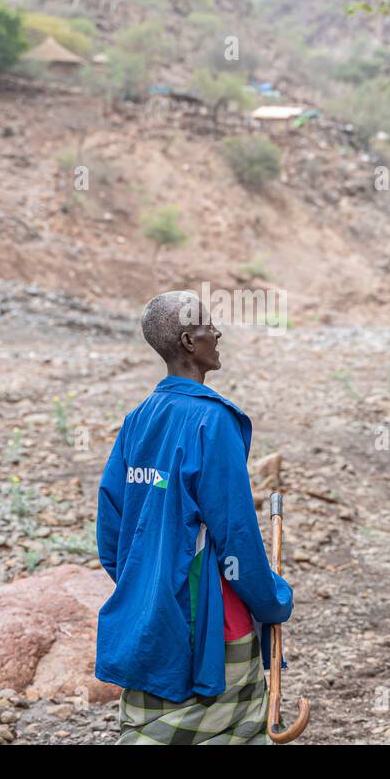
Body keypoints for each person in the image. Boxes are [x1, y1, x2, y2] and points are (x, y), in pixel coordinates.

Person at [95, 290, 294, 744]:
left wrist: (149, 585)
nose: (217, 332)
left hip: (148, 622)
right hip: (213, 626)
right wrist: (272, 600)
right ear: (188, 341)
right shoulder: (213, 421)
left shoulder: (137, 419)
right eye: (208, 325)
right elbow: (235, 534)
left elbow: (111, 535)